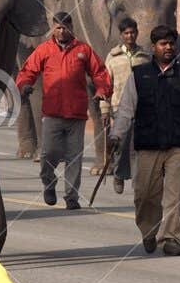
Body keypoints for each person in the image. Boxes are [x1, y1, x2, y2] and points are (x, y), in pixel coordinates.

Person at [109, 24, 180, 255]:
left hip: (178, 145)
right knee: (145, 195)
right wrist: (116, 135)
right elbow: (126, 110)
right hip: (148, 145)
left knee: (173, 195)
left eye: (171, 43)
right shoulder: (140, 75)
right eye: (163, 44)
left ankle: (171, 239)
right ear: (153, 47)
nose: (168, 47)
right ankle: (149, 231)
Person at [15, 13, 112, 209]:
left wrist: (102, 89)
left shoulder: (83, 50)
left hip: (76, 114)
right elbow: (27, 71)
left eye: (65, 27)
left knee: (74, 157)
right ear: (53, 29)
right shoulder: (44, 50)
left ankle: (71, 198)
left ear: (71, 27)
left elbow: (100, 72)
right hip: (52, 113)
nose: (61, 31)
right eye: (58, 28)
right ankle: (48, 183)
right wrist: (24, 85)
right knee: (49, 154)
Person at [102, 17, 150, 194]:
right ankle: (119, 174)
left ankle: (137, 180)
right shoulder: (113, 57)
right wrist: (105, 109)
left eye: (133, 32)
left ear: (137, 33)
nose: (130, 36)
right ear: (121, 35)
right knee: (121, 143)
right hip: (119, 107)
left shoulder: (145, 57)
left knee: (138, 145)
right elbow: (106, 85)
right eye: (126, 33)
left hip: (142, 107)